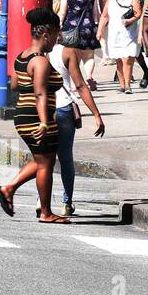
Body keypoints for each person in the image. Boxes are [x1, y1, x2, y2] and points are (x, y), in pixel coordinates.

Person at [0, 8, 69, 224]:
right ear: (46, 35)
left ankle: (10, 188)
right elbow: (40, 92)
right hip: (38, 119)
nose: (57, 40)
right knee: (46, 163)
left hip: (22, 116)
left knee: (41, 160)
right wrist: (45, 123)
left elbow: (16, 84)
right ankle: (46, 212)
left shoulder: (22, 56)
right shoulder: (40, 61)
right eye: (56, 35)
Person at [47, 40, 105, 217]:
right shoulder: (67, 53)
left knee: (44, 159)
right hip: (63, 107)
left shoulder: (34, 53)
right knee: (65, 158)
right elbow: (80, 85)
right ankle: (67, 202)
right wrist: (96, 114)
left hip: (44, 109)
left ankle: (41, 201)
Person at [57, 0, 101, 93]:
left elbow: (62, 13)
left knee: (72, 58)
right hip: (88, 28)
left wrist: (59, 25)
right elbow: (95, 14)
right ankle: (88, 77)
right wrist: (96, 27)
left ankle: (73, 84)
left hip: (71, 29)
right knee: (89, 56)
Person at [99, 0, 141, 93]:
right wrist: (99, 31)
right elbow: (104, 16)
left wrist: (130, 20)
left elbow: (138, 13)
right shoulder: (111, 1)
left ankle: (128, 85)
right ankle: (122, 85)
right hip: (114, 35)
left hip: (129, 35)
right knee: (118, 61)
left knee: (127, 59)